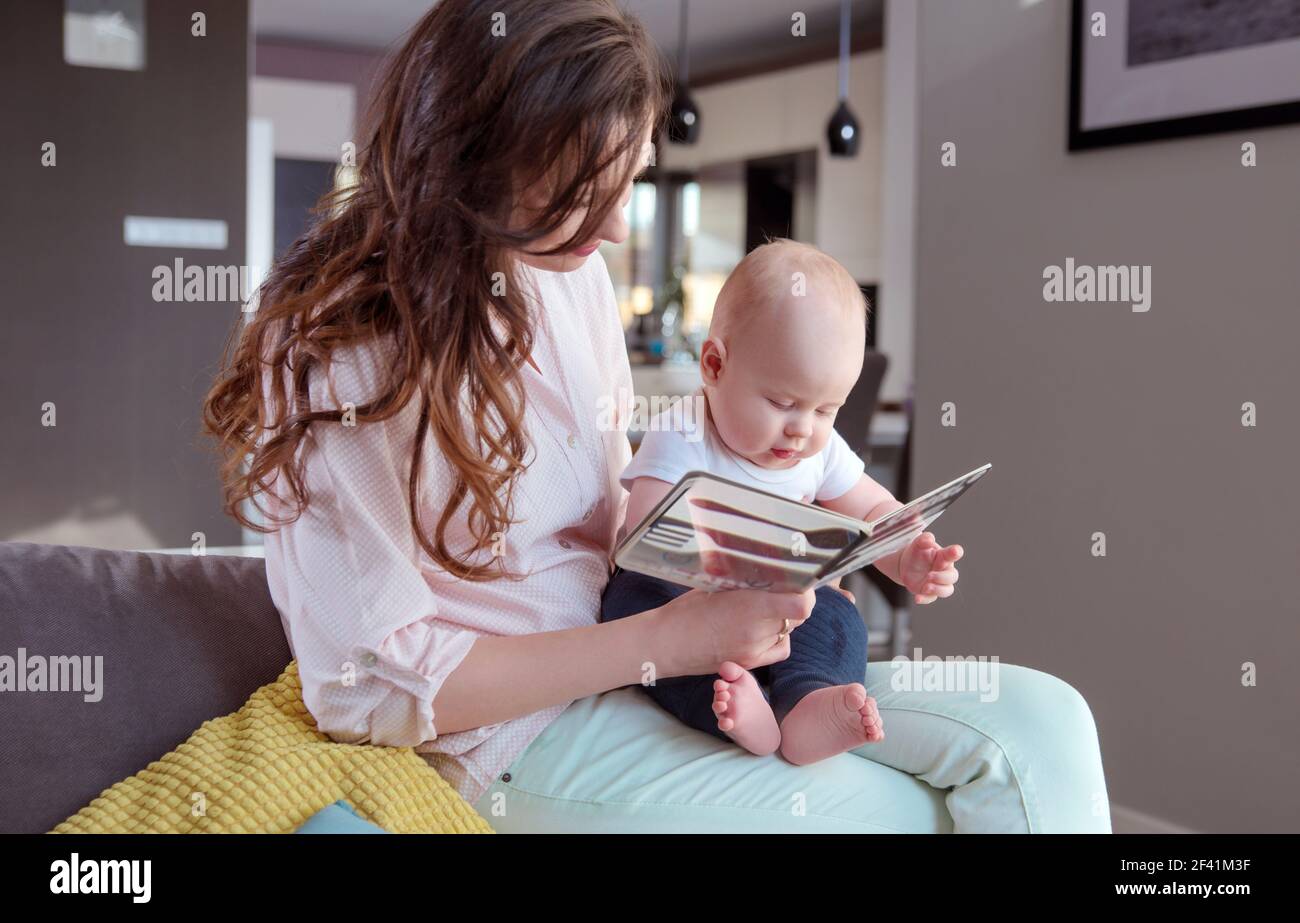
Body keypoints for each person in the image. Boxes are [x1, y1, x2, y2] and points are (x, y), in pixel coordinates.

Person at [202, 0, 1110, 833]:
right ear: (485, 152)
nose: (619, 226)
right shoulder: (342, 354)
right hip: (516, 735)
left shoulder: (570, 274)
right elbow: (363, 688)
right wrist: (664, 640)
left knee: (1043, 726)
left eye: (630, 177)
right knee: (909, 814)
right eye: (585, 186)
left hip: (664, 664)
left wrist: (763, 550)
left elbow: (615, 521)